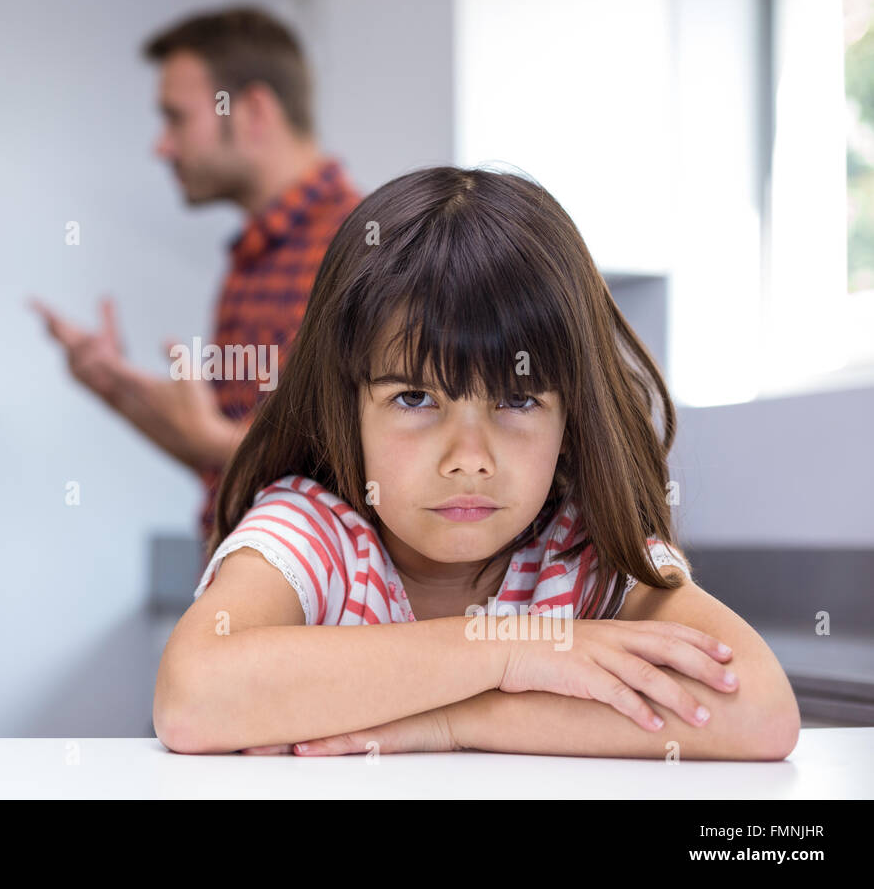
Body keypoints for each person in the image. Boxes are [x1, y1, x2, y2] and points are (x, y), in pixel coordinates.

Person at [153, 166, 801, 760]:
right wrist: (510, 650)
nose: (469, 461)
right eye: (414, 397)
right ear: (341, 407)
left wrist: (454, 719)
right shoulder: (315, 533)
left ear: (571, 418)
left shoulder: (583, 553)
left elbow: (758, 710)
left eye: (517, 399)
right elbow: (191, 698)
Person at [30, 6, 360, 552]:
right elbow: (229, 459)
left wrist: (214, 438)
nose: (161, 145)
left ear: (253, 110)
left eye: (176, 118)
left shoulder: (363, 248)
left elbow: (361, 476)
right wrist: (117, 390)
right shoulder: (255, 255)